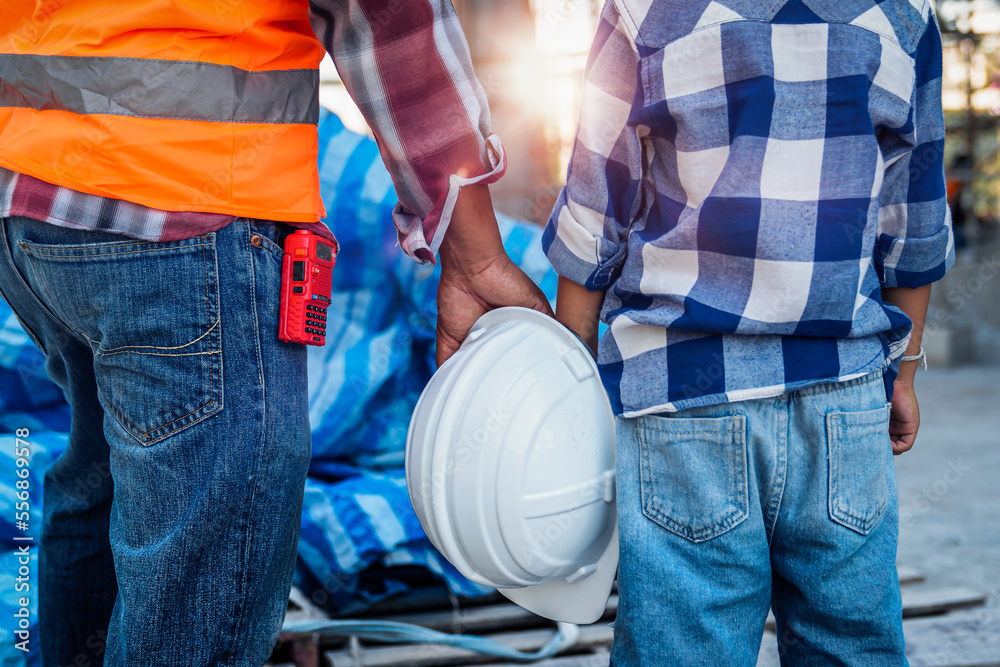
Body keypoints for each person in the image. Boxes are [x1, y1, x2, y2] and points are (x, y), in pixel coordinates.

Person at [0, 2, 549, 665]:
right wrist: (474, 251)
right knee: (207, 549)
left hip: (29, 204)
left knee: (103, 482)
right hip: (186, 198)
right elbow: (389, 15)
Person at [547, 0, 953, 664]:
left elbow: (595, 211)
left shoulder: (645, 11)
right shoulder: (905, 17)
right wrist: (903, 375)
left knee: (684, 647)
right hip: (844, 398)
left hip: (683, 395)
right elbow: (915, 225)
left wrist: (571, 393)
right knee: (849, 644)